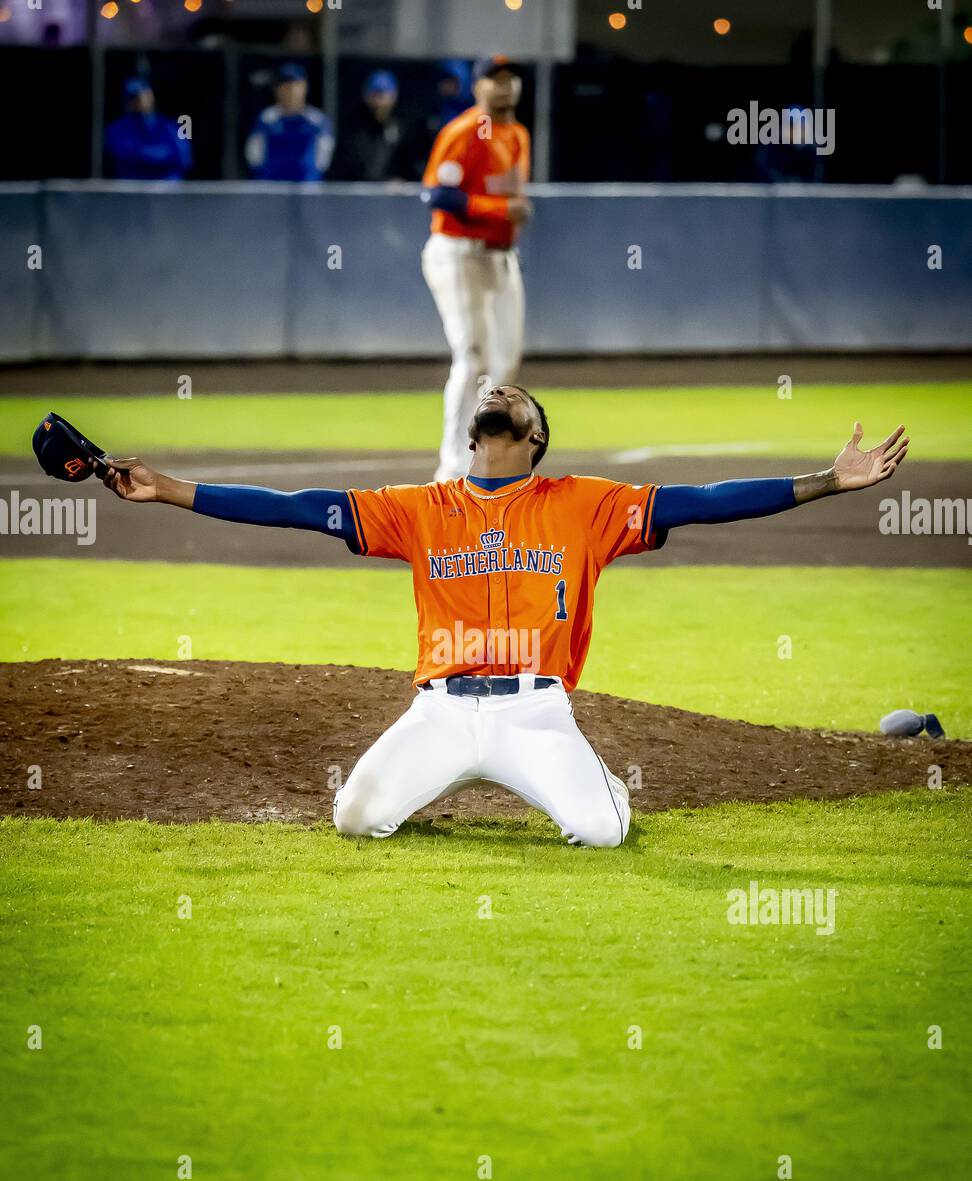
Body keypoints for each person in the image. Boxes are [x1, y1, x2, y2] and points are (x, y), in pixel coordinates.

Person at [97, 386, 909, 848]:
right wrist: (167, 487)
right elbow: (294, 509)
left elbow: (702, 502)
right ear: (472, 434)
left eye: (513, 399)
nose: (498, 395)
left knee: (601, 832)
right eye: (491, 395)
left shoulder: (586, 506)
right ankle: (443, 782)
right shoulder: (420, 508)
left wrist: (826, 482)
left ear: (534, 438)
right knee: (354, 816)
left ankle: (599, 788)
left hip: (535, 710)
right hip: (440, 712)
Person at [420, 55, 531, 483]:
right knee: (471, 356)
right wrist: (501, 208)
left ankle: (486, 455)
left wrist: (507, 215)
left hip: (499, 257)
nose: (504, 86)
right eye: (495, 79)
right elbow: (436, 195)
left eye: (511, 78)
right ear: (477, 87)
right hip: (459, 251)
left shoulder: (517, 133)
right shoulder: (465, 132)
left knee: (503, 362)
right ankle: (450, 472)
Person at [245, 63, 334, 182]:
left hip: (306, 189)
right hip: (271, 187)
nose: (292, 91)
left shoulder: (317, 121)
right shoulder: (266, 119)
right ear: (277, 89)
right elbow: (254, 156)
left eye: (297, 86)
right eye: (286, 86)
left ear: (305, 88)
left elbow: (323, 159)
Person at [332, 70, 414, 182]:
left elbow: (409, 166)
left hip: (393, 196)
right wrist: (384, 182)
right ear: (366, 96)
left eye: (384, 94)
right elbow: (350, 168)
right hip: (358, 194)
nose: (379, 101)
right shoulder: (353, 129)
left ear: (394, 96)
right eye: (375, 94)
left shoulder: (402, 128)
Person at [104, 77, 192, 182]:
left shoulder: (170, 126)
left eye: (144, 95)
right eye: (134, 97)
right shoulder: (117, 128)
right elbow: (127, 155)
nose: (140, 100)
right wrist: (164, 155)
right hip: (132, 189)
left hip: (166, 189)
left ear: (151, 96)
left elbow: (185, 158)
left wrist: (146, 155)